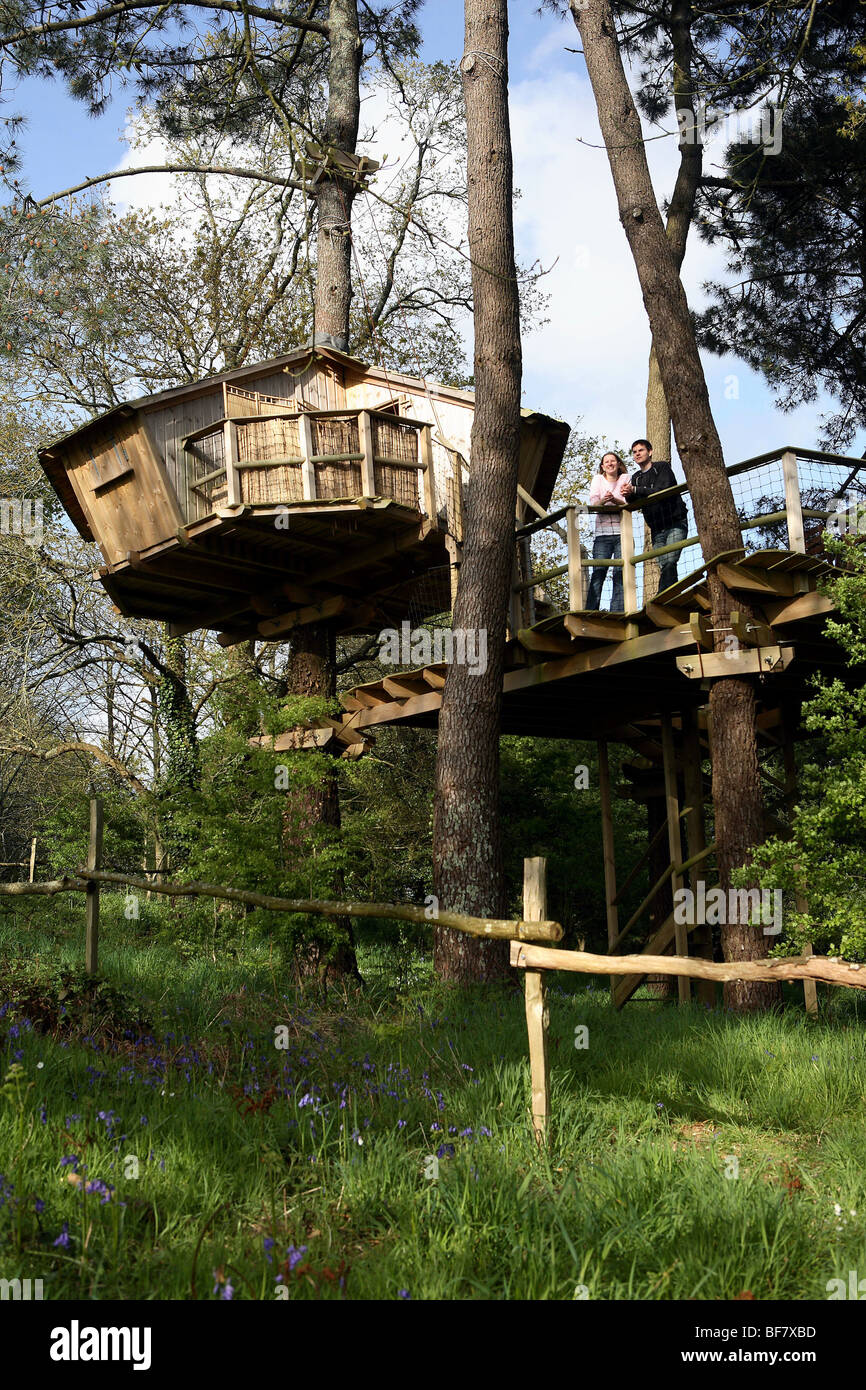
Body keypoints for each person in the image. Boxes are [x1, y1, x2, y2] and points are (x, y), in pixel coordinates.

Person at [625, 439, 688, 594]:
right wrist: (628, 493)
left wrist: (635, 490)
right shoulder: (636, 477)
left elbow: (662, 490)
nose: (637, 454)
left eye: (641, 450)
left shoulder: (662, 467)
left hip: (675, 522)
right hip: (656, 528)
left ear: (650, 452)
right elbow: (635, 500)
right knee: (665, 564)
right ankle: (673, 595)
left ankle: (663, 596)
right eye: (634, 452)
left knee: (670, 561)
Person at [585, 452, 630, 612]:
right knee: (599, 572)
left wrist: (614, 501)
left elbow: (627, 502)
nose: (610, 464)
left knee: (621, 573)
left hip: (622, 533)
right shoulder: (597, 479)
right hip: (602, 534)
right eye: (606, 462)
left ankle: (618, 611)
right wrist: (605, 501)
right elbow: (594, 502)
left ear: (618, 464)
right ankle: (591, 609)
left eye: (613, 461)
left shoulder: (625, 478)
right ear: (602, 466)